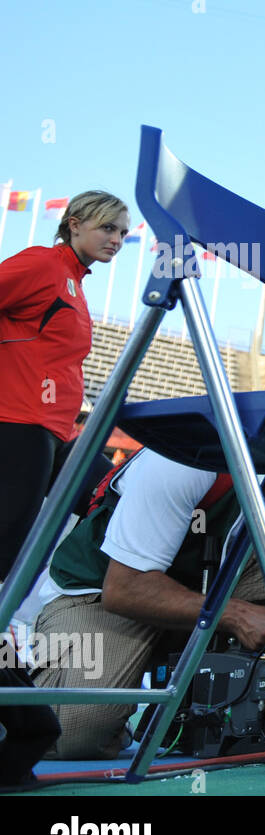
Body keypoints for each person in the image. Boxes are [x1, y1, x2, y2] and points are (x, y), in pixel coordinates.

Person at [26, 449, 265, 759]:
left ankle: (232, 712)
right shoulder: (188, 458)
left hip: (203, 605)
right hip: (101, 597)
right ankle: (33, 697)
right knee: (74, 734)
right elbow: (124, 588)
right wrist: (238, 615)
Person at [0, 191, 130, 580]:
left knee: (114, 500)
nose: (117, 241)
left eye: (123, 233)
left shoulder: (74, 282)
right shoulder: (43, 264)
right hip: (20, 424)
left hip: (58, 433)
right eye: (107, 228)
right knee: (7, 549)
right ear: (74, 224)